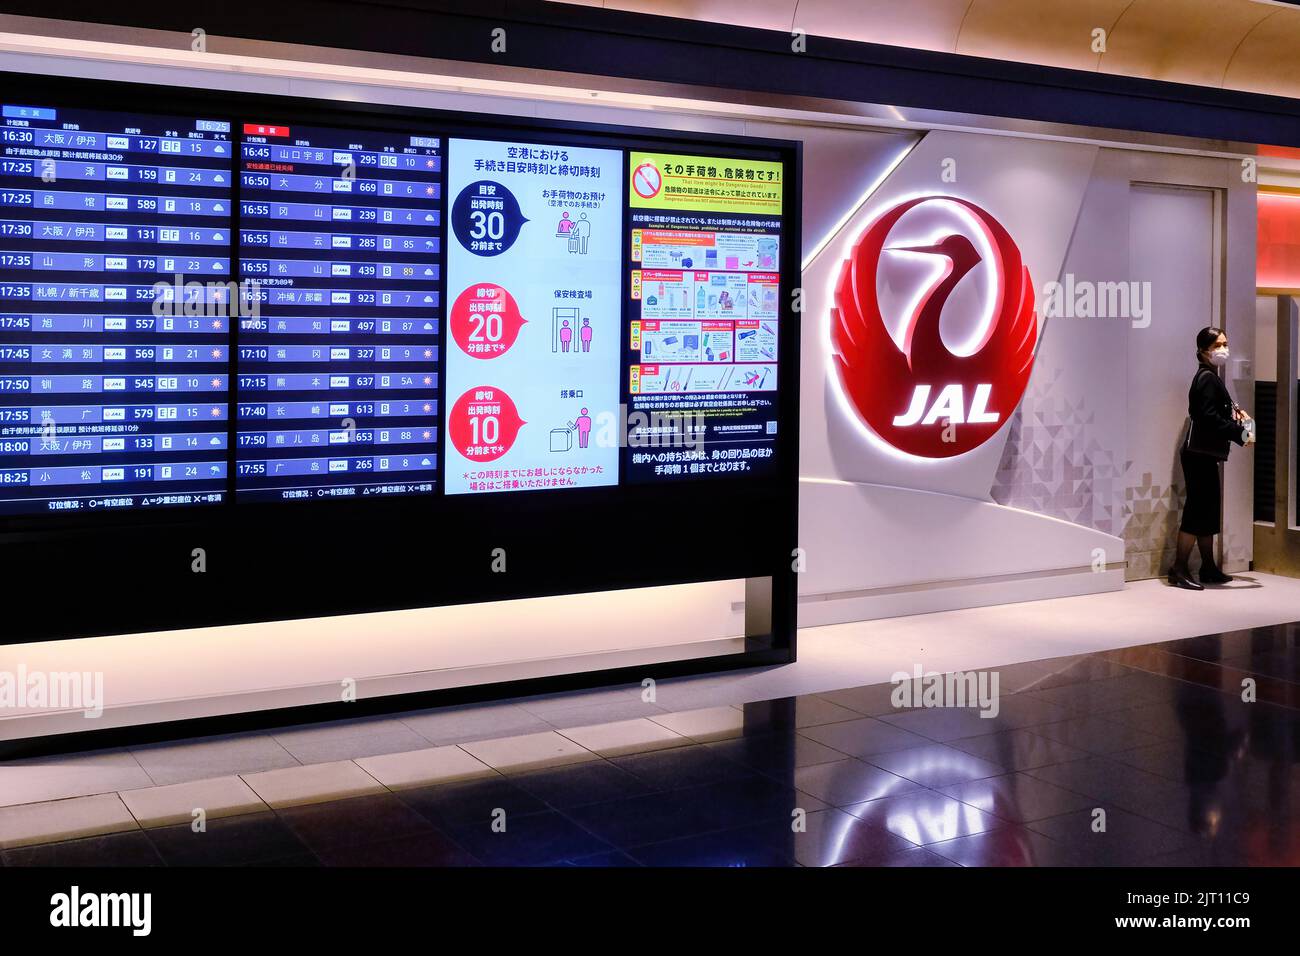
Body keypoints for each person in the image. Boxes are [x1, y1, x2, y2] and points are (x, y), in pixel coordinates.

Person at [1169, 326, 1253, 590]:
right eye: (1218, 345)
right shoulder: (1206, 378)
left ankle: (1208, 567)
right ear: (1203, 350)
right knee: (1197, 511)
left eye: (1225, 343)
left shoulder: (1210, 376)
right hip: (1198, 455)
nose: (1223, 349)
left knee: (1207, 510)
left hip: (1204, 454)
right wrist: (1240, 434)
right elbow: (1208, 418)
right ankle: (1179, 568)